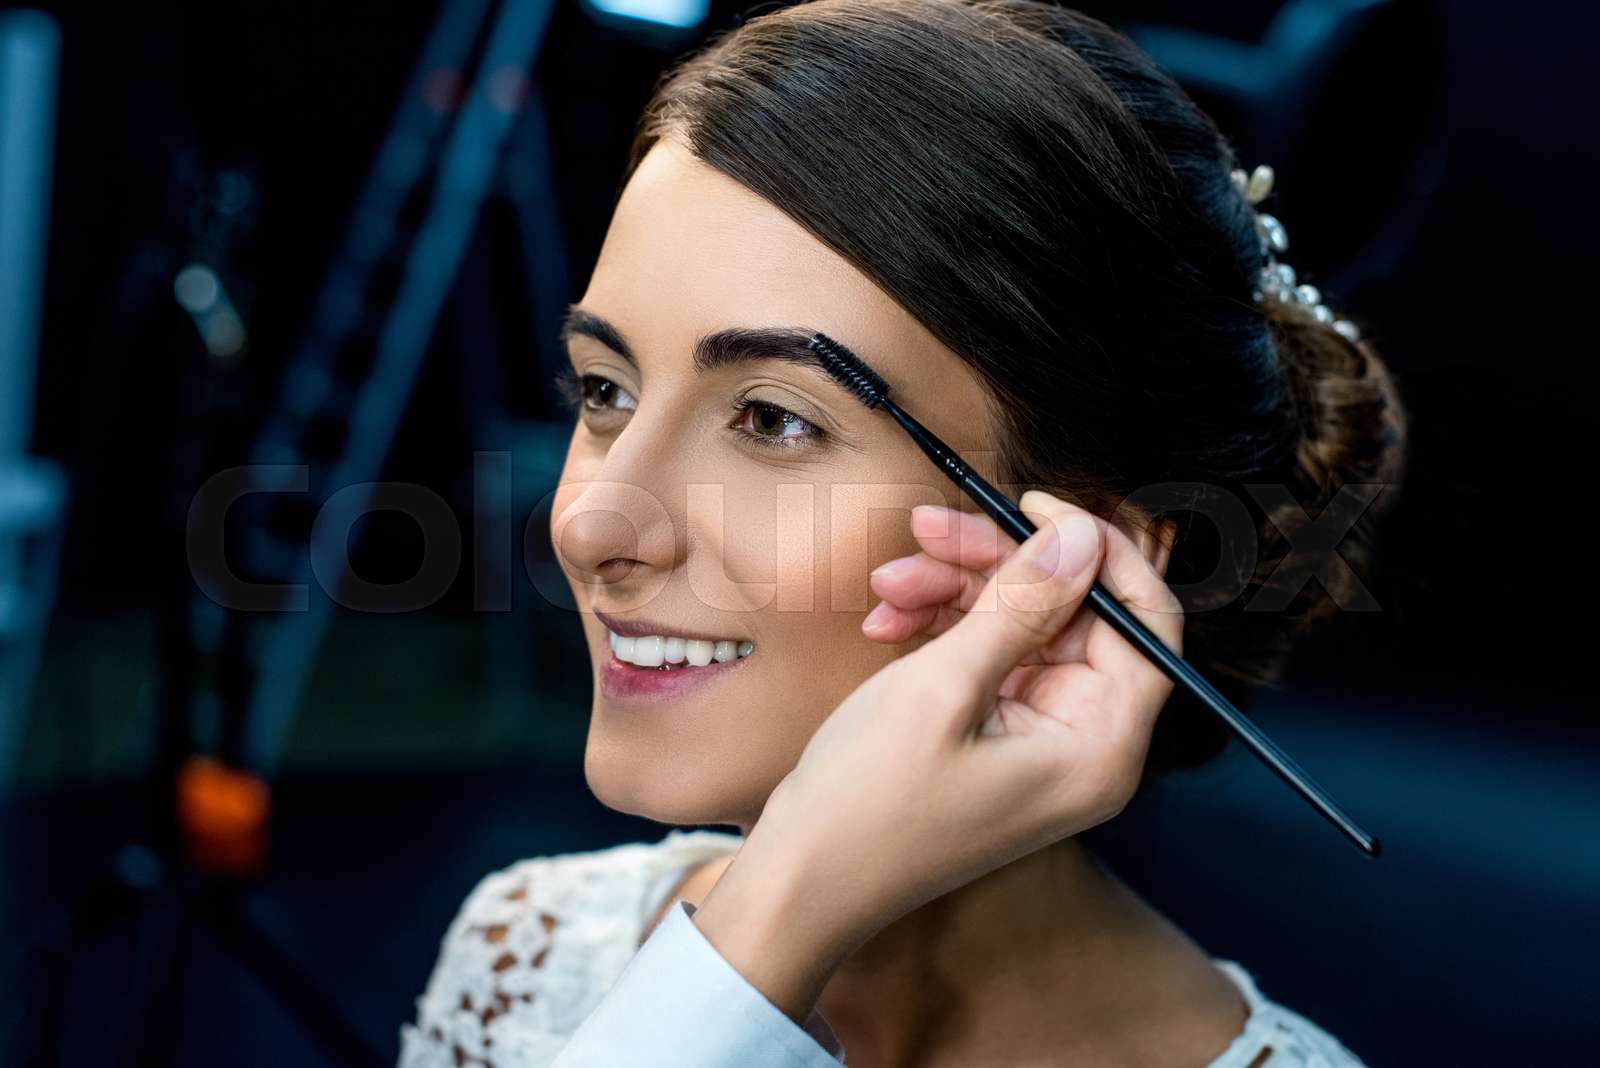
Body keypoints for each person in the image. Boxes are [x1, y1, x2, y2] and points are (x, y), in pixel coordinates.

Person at [399, 0, 1407, 1064]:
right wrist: (774, 926)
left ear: (1081, 553)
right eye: (604, 390)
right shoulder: (528, 955)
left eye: (774, 420)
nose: (591, 519)